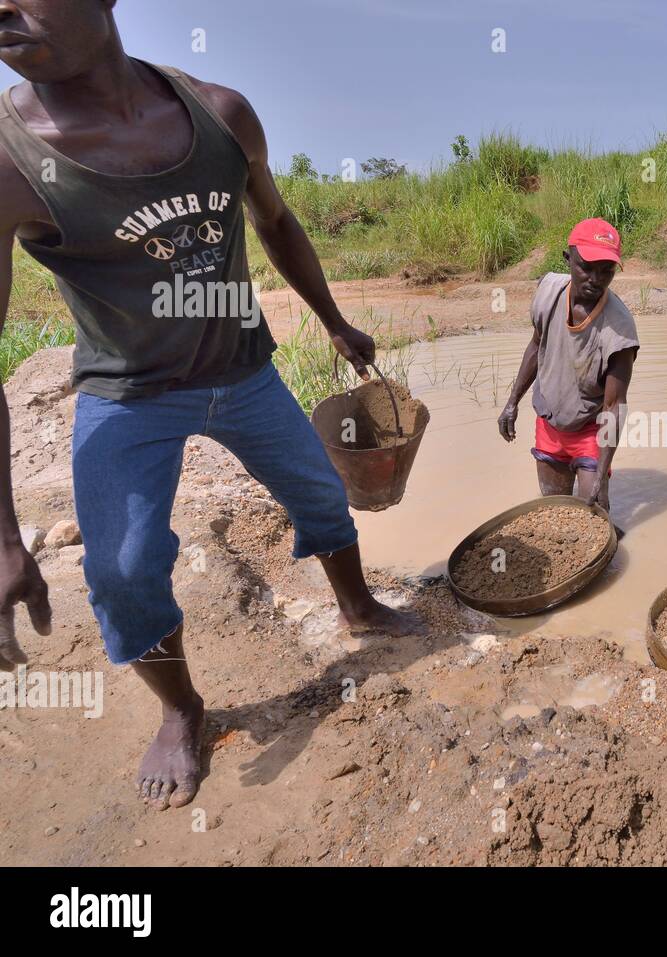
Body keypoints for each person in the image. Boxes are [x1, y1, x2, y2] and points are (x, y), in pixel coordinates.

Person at [0, 0, 414, 810]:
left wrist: (334, 321)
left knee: (325, 494)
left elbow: (277, 219)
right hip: (129, 393)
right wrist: (3, 534)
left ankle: (358, 604)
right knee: (121, 572)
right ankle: (183, 709)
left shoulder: (221, 115)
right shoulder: (11, 164)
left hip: (244, 372)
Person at [497, 218, 638, 513]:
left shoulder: (619, 330)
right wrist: (512, 402)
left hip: (589, 430)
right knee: (553, 512)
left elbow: (614, 406)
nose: (595, 279)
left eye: (606, 271)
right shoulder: (549, 293)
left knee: (594, 514)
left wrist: (602, 472)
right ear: (568, 259)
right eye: (585, 267)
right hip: (550, 422)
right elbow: (536, 346)